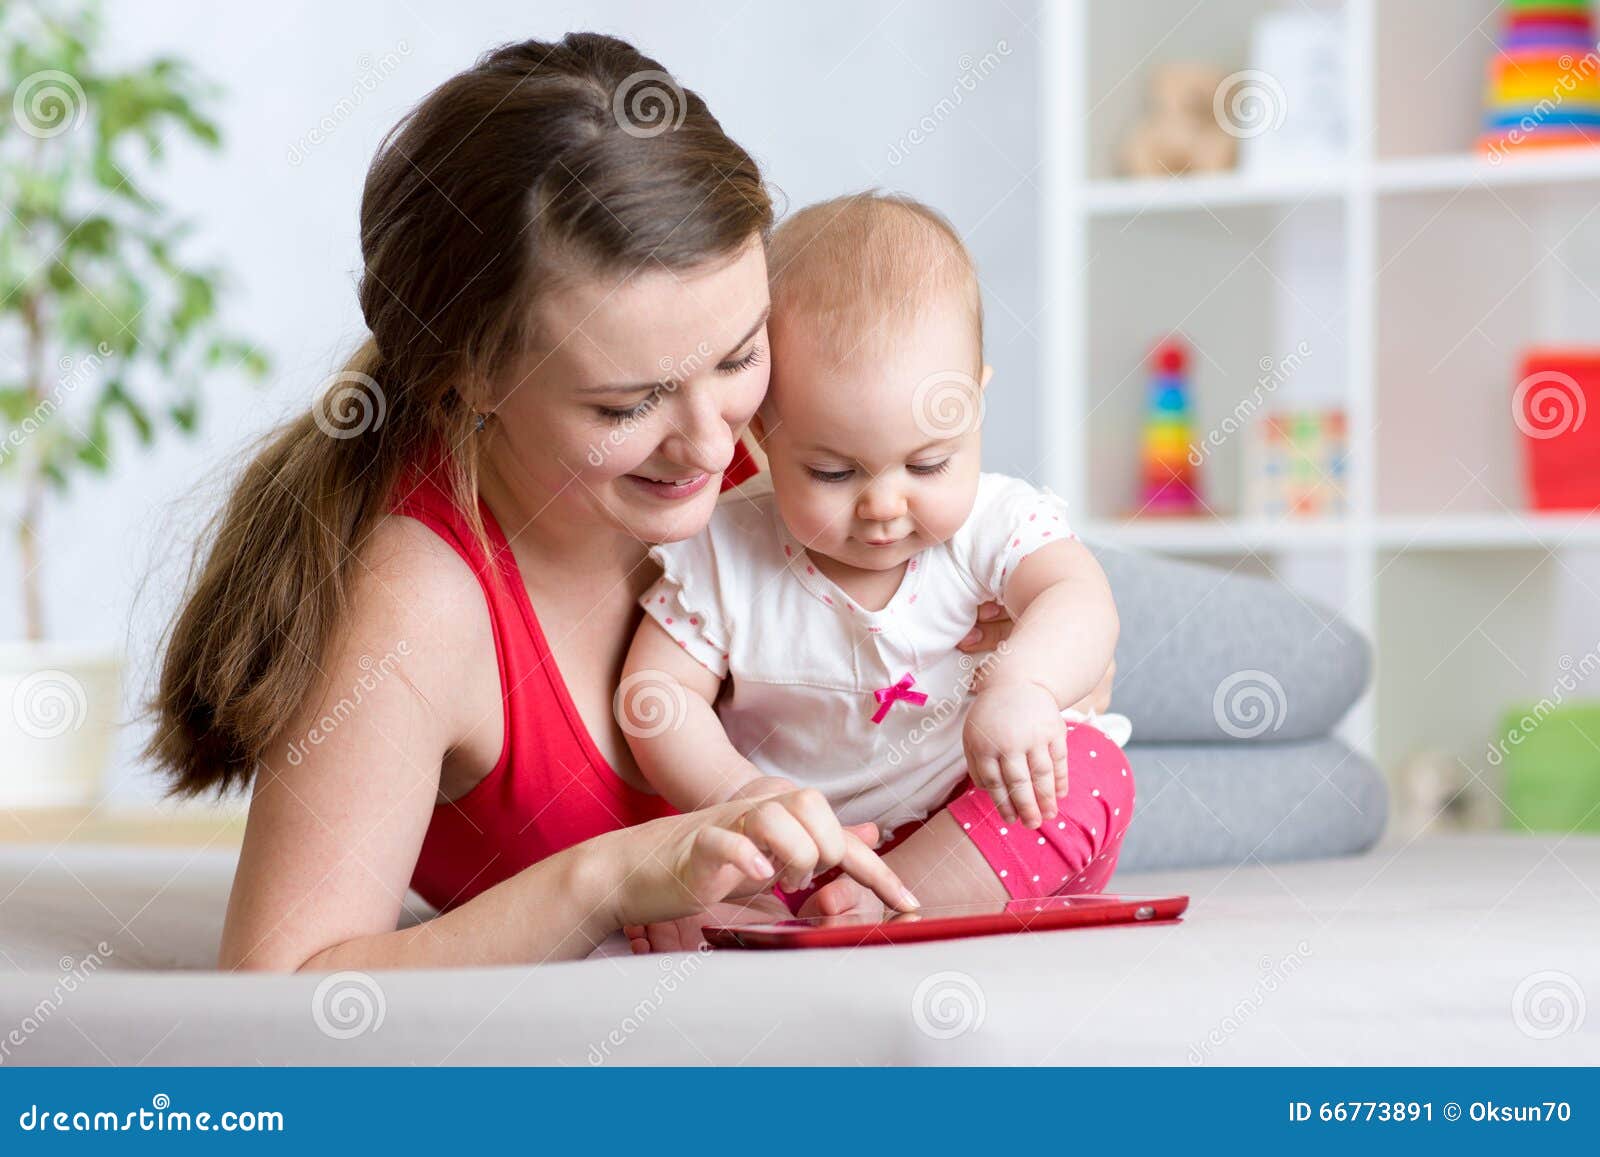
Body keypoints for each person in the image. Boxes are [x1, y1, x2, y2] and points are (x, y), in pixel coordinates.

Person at [146, 35, 1060, 970]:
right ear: (471, 377)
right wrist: (607, 880)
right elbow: (278, 982)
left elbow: (1052, 638)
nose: (717, 445)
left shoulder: (781, 447)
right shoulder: (417, 604)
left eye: (743, 355)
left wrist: (1028, 670)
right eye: (629, 404)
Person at [620, 194, 1132, 936]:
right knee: (697, 860)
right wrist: (744, 794)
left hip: (977, 817)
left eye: (928, 463)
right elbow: (655, 693)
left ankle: (879, 907)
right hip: (806, 846)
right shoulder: (727, 548)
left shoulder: (995, 520)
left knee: (1089, 768)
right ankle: (809, 910)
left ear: (975, 406)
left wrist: (1024, 684)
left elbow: (1080, 598)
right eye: (834, 472)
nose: (885, 506)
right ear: (761, 433)